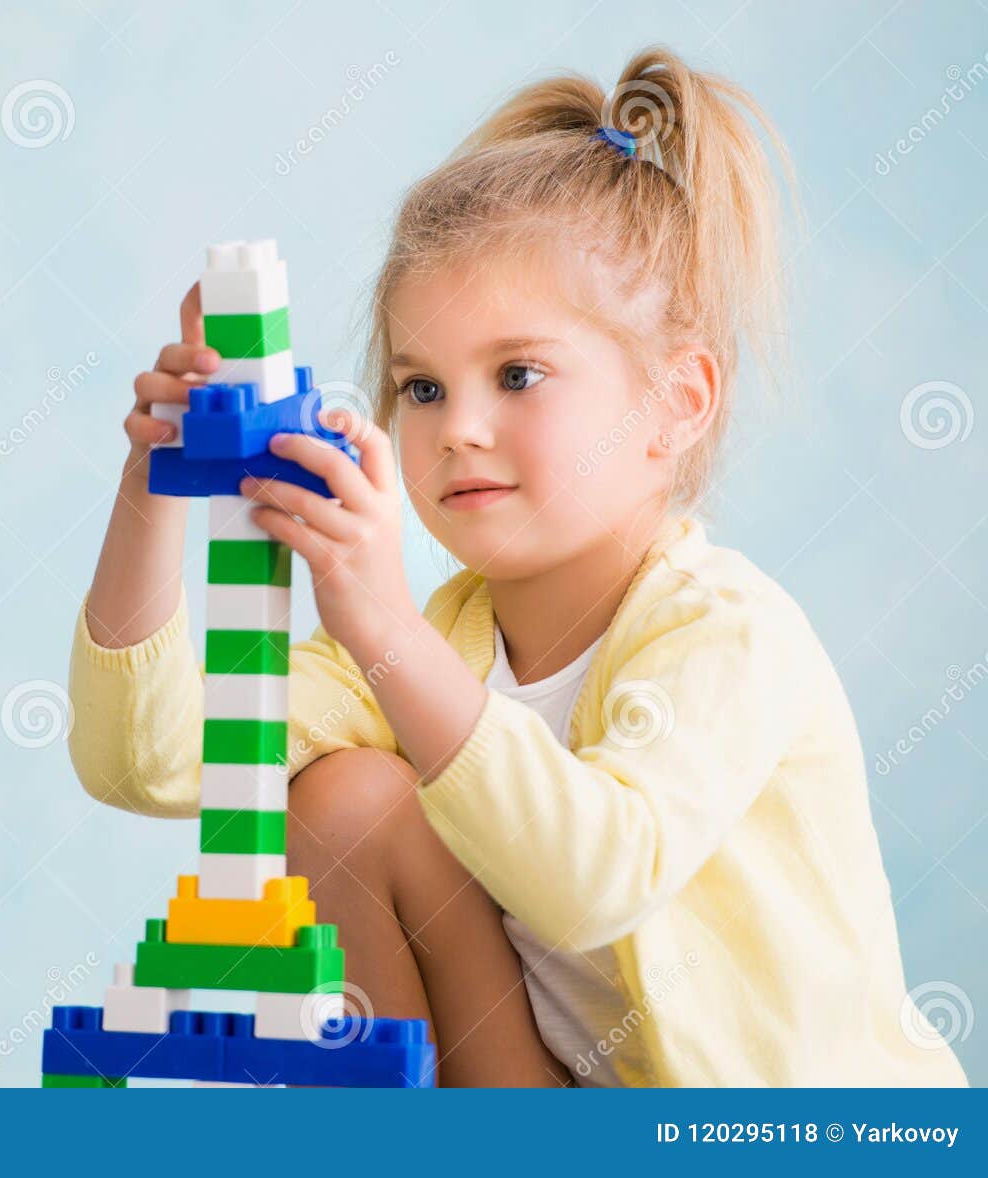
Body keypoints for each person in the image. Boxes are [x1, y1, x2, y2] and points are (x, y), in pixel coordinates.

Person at [67, 45, 969, 1088]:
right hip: (560, 1104)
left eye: (517, 374)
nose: (459, 430)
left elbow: (595, 876)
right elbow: (155, 759)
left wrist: (388, 634)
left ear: (675, 404)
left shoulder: (726, 633)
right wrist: (152, 485)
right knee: (345, 801)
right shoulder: (431, 638)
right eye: (420, 389)